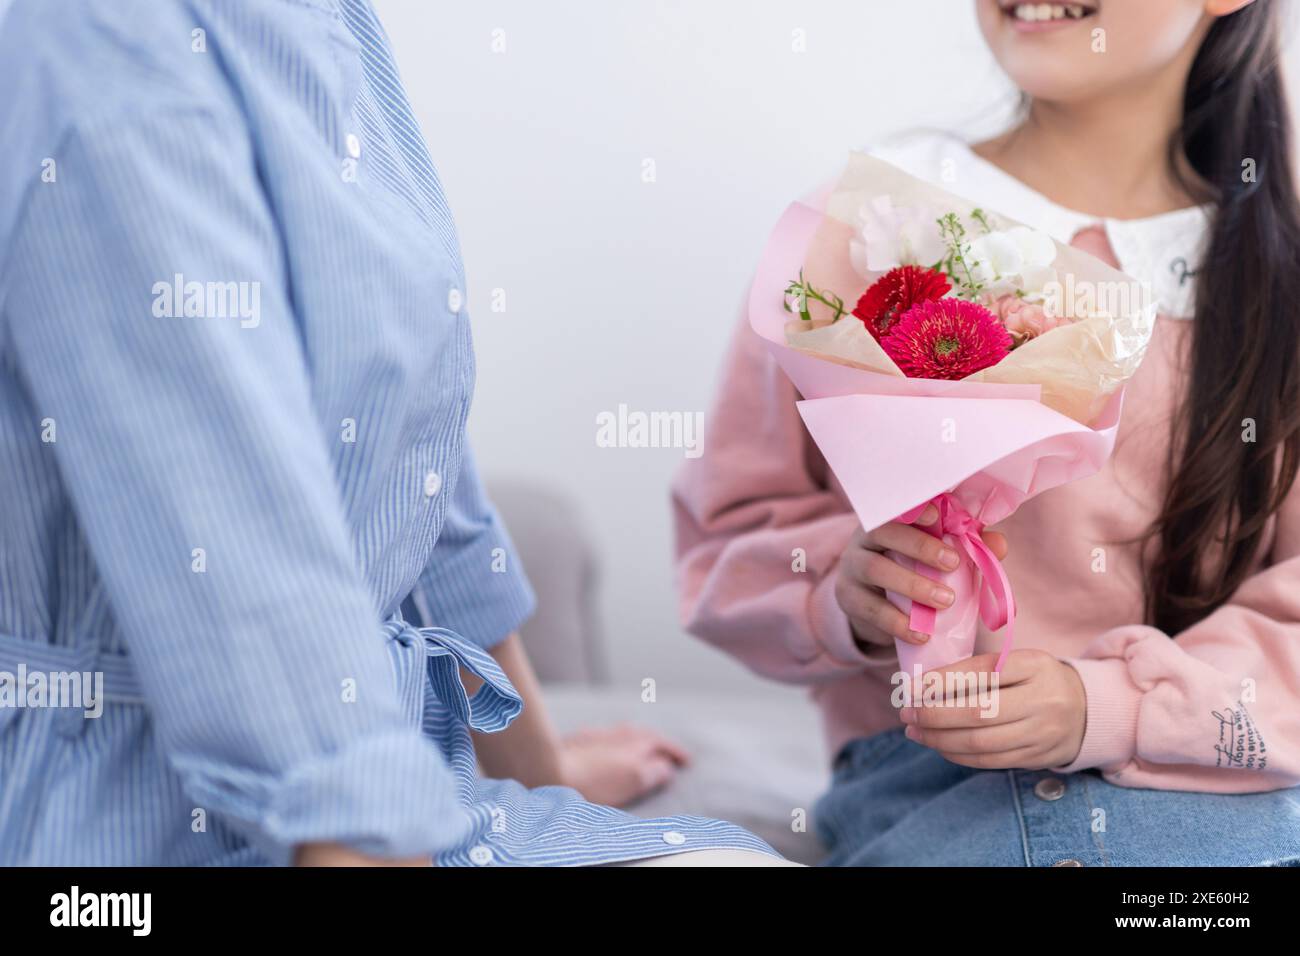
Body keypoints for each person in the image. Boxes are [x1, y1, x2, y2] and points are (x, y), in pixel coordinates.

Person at [0, 0, 780, 866]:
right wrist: (367, 819)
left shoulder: (333, 19)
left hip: (408, 784)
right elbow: (237, 545)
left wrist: (540, 770)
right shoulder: (97, 38)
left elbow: (413, 453)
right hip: (137, 816)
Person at [674, 0, 1300, 865]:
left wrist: (1108, 705)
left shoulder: (1279, 277)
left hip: (1203, 778)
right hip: (925, 780)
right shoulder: (865, 226)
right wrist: (845, 596)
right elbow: (728, 538)